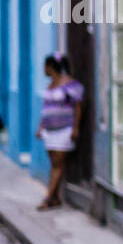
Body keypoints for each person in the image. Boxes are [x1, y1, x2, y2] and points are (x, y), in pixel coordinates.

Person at [34, 53, 84, 209]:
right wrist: (40, 127)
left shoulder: (69, 84)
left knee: (57, 163)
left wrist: (75, 128)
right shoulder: (50, 85)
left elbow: (78, 107)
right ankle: (55, 198)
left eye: (45, 66)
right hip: (49, 130)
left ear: (50, 67)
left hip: (64, 129)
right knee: (54, 162)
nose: (43, 69)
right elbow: (46, 109)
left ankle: (48, 197)